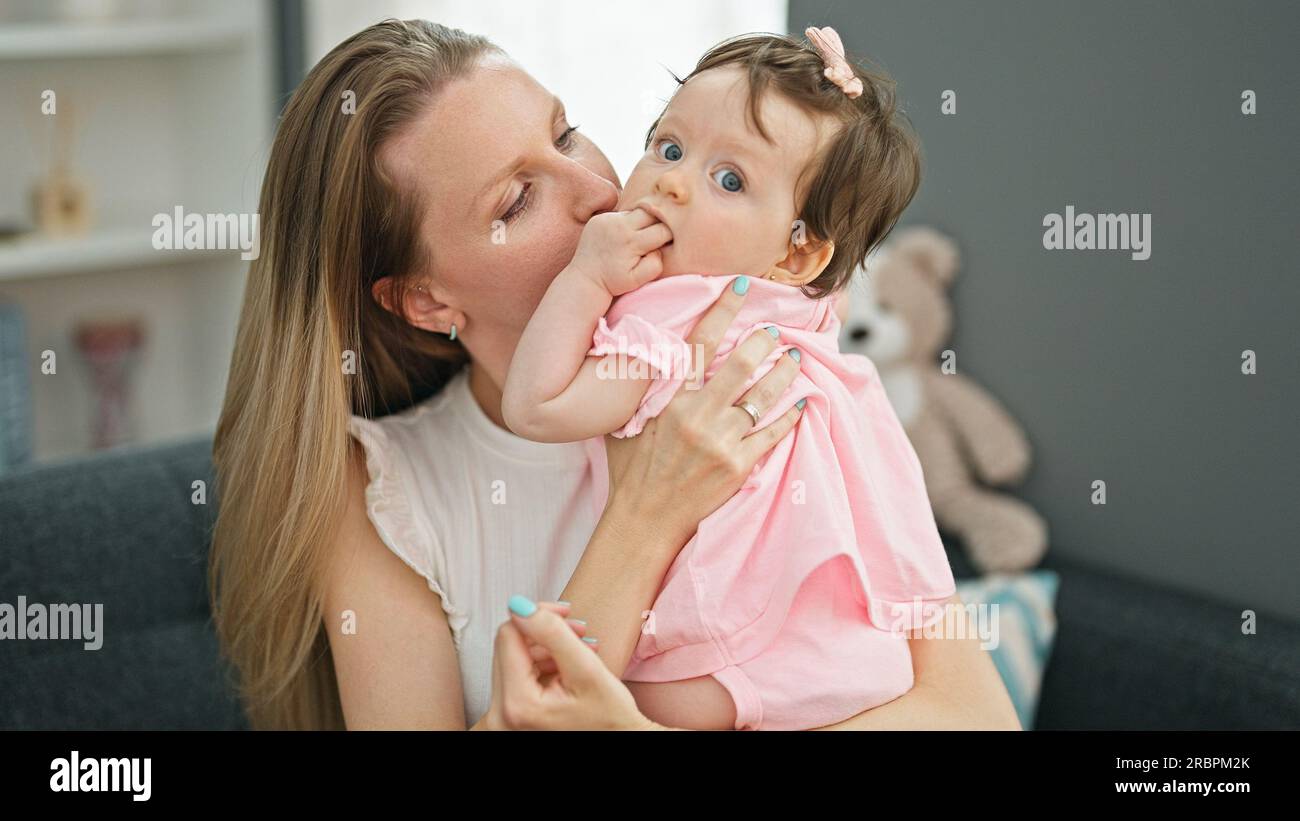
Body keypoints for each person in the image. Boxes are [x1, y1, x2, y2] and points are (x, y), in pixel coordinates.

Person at [209, 18, 1020, 731]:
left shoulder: (763, 363)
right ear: (424, 300)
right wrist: (644, 514)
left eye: (567, 135)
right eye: (517, 199)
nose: (602, 191)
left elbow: (975, 718)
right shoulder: (382, 489)